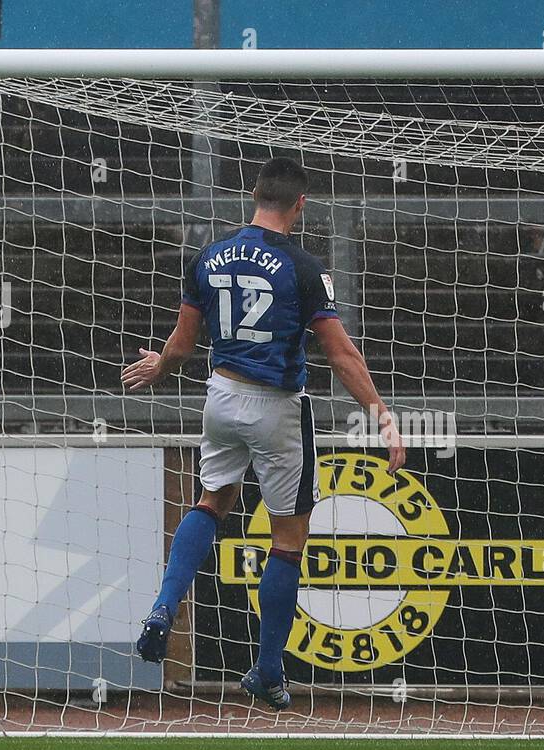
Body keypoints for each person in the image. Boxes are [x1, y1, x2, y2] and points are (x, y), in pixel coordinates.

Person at [121, 157, 404, 710]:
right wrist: (382, 415)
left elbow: (180, 345)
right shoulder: (303, 266)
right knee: (287, 540)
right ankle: (268, 669)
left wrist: (159, 365)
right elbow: (340, 353)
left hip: (220, 396)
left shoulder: (209, 256)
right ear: (300, 204)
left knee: (210, 502)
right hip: (276, 407)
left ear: (255, 196)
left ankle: (163, 605)